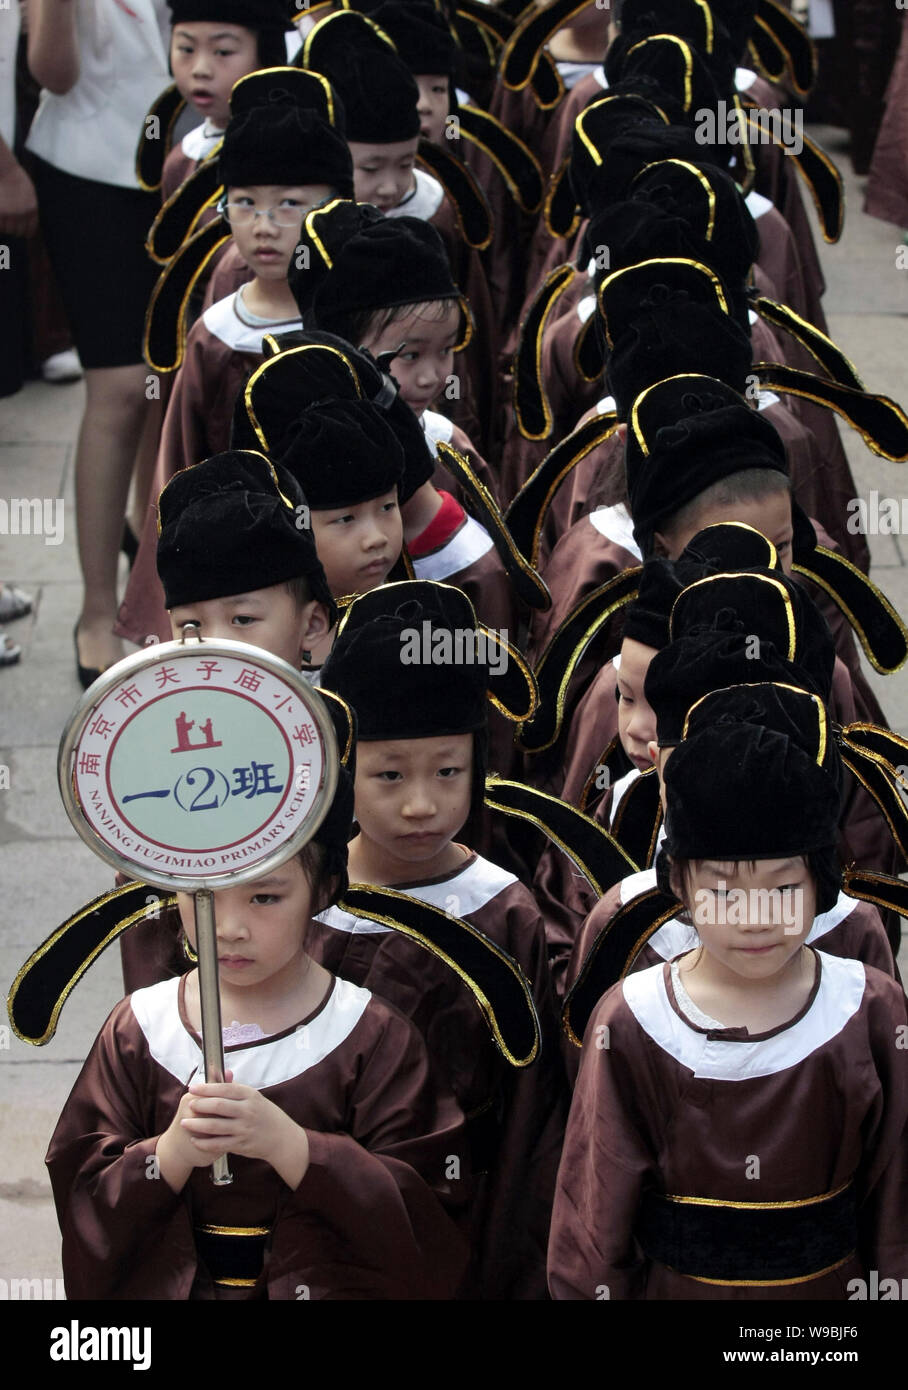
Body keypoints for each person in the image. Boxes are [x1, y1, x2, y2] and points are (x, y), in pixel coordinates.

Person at [46, 731, 471, 1299]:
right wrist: (166, 1156)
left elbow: (427, 1214)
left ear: (322, 889)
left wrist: (296, 1149)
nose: (229, 927)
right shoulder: (140, 1030)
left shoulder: (370, 1035)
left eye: (264, 897)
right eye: (203, 895)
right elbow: (83, 1200)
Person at [549, 709, 908, 1299]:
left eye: (783, 888)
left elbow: (896, 1202)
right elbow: (593, 1222)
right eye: (723, 890)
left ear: (822, 882)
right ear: (680, 885)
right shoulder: (632, 1021)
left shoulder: (869, 1010)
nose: (755, 916)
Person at [316, 579, 567, 1299]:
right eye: (388, 774)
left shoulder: (502, 910)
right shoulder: (303, 906)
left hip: (466, 1207)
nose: (421, 803)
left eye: (448, 772)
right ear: (344, 768)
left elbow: (531, 1115)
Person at [26, 0, 171, 683]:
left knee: (167, 382)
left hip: (196, 160)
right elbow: (52, 72)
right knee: (118, 389)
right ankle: (94, 608)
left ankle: (154, 573)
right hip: (90, 168)